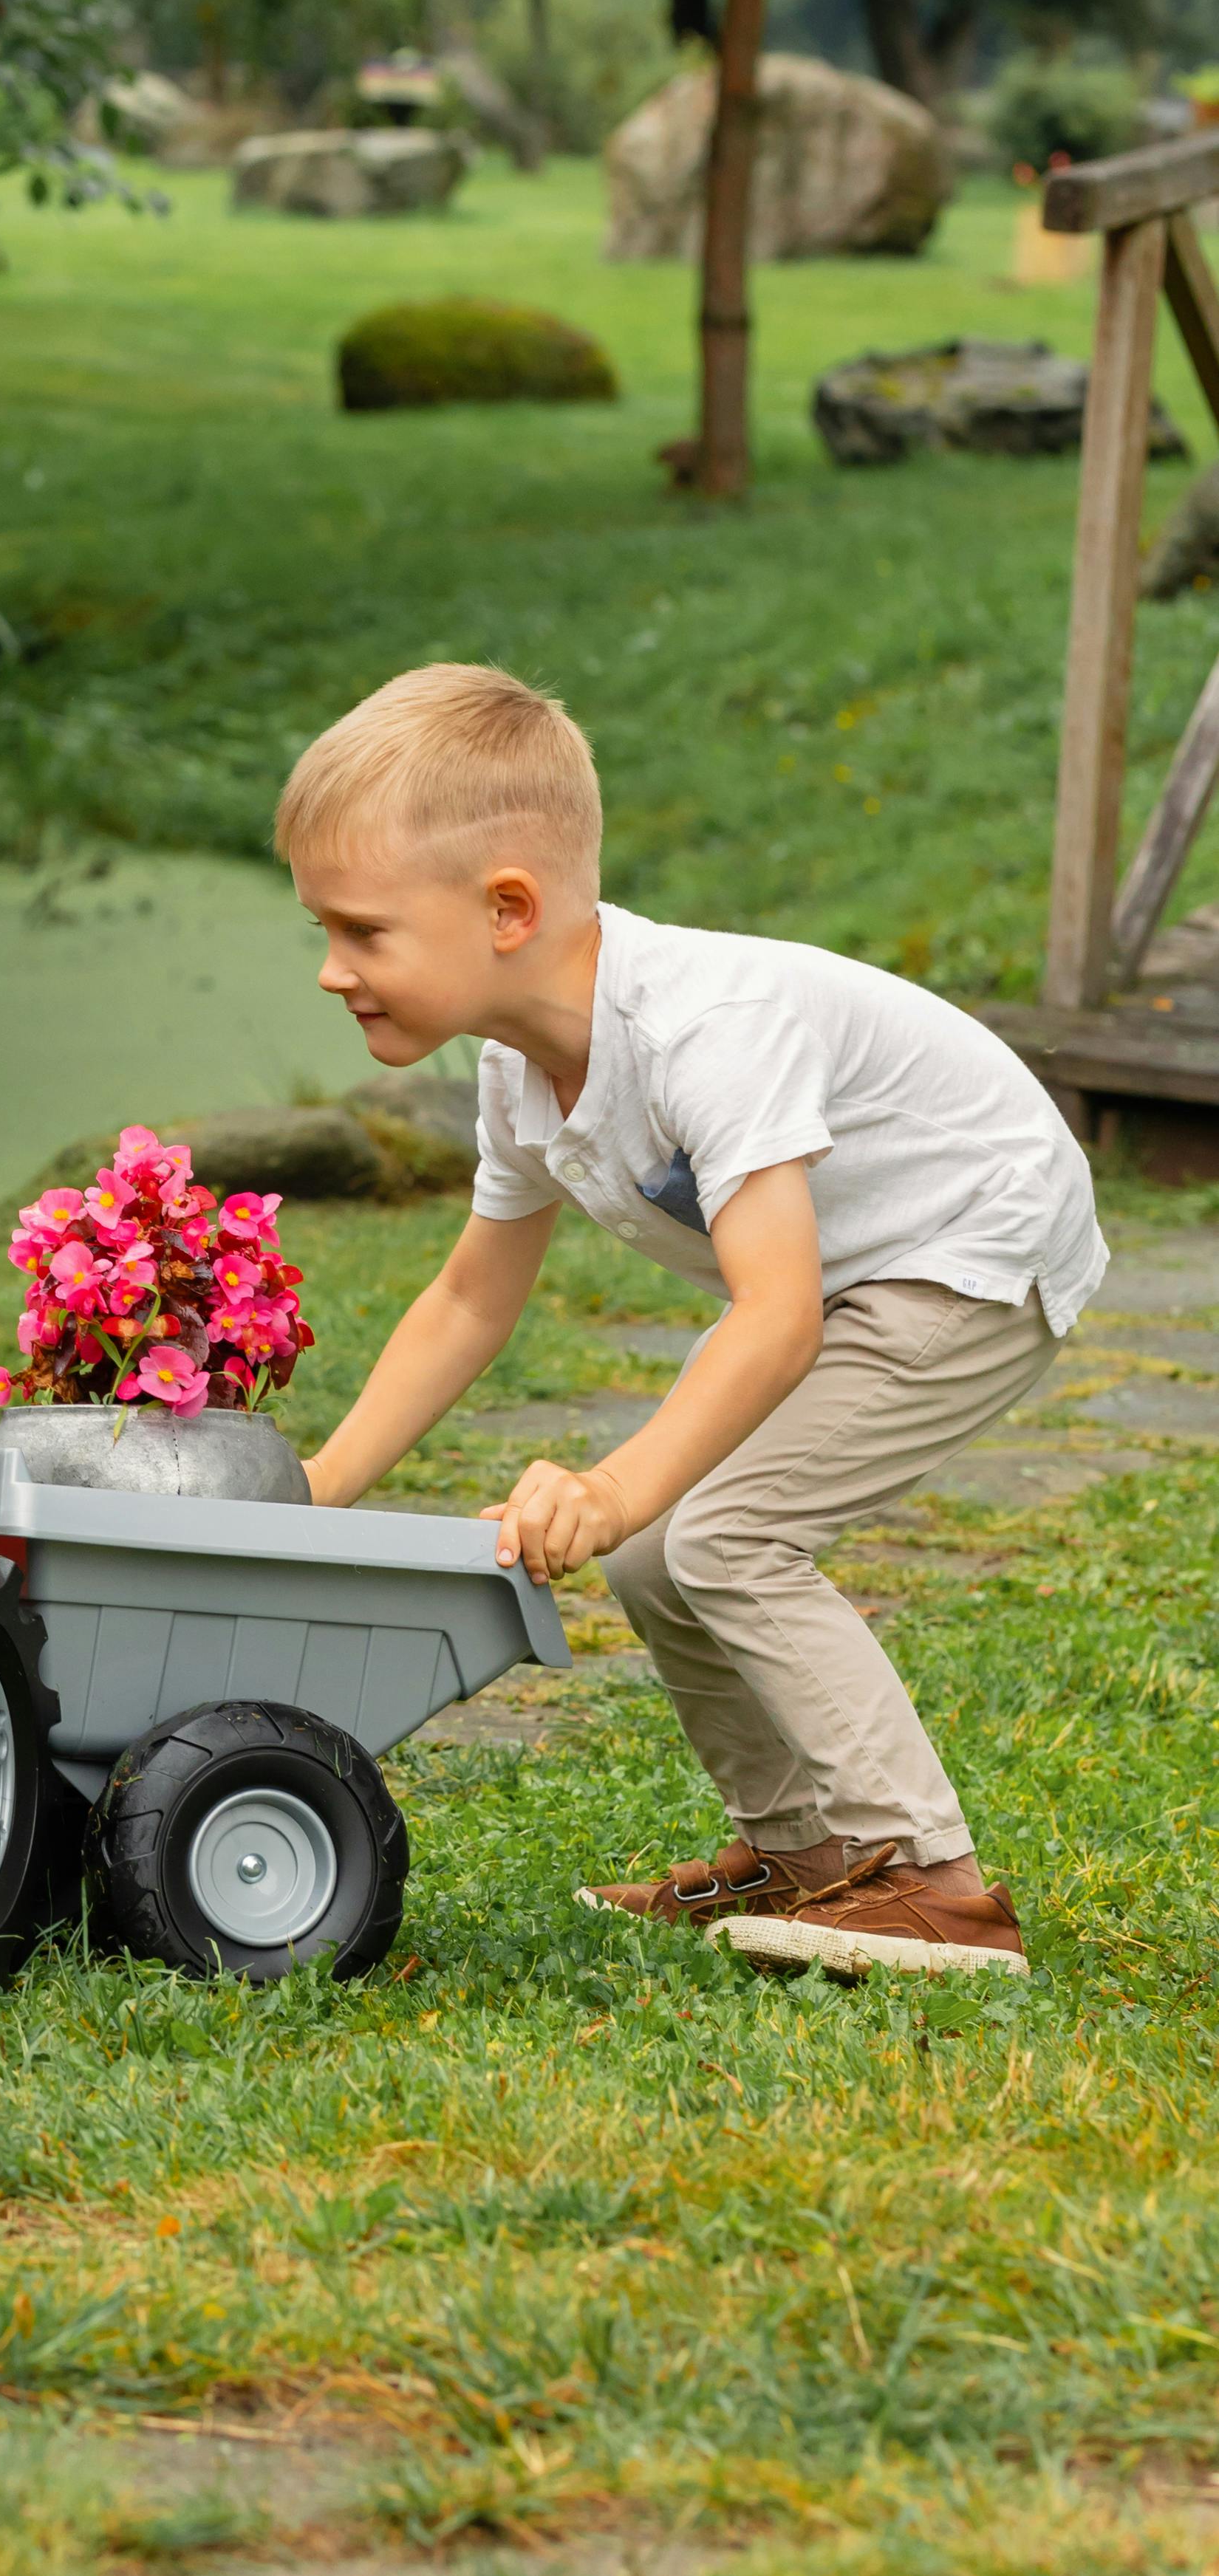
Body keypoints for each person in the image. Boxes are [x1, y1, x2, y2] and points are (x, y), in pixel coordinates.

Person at [281, 662, 1104, 1979]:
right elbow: (468, 1297)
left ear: (508, 909)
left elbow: (772, 1320)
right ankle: (803, 1858)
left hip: (977, 1245)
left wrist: (610, 1486)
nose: (332, 970)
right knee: (659, 1554)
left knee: (720, 1534)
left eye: (362, 931)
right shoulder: (519, 1068)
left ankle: (936, 1887)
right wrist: (313, 1493)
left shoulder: (703, 1030)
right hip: (860, 1265)